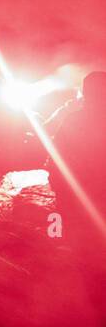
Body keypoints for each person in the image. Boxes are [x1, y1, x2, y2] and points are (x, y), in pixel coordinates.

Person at [49, 71, 106, 260]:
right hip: (87, 199)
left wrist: (58, 186)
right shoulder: (73, 120)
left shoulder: (73, 120)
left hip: (78, 199)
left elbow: (57, 157)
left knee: (80, 252)